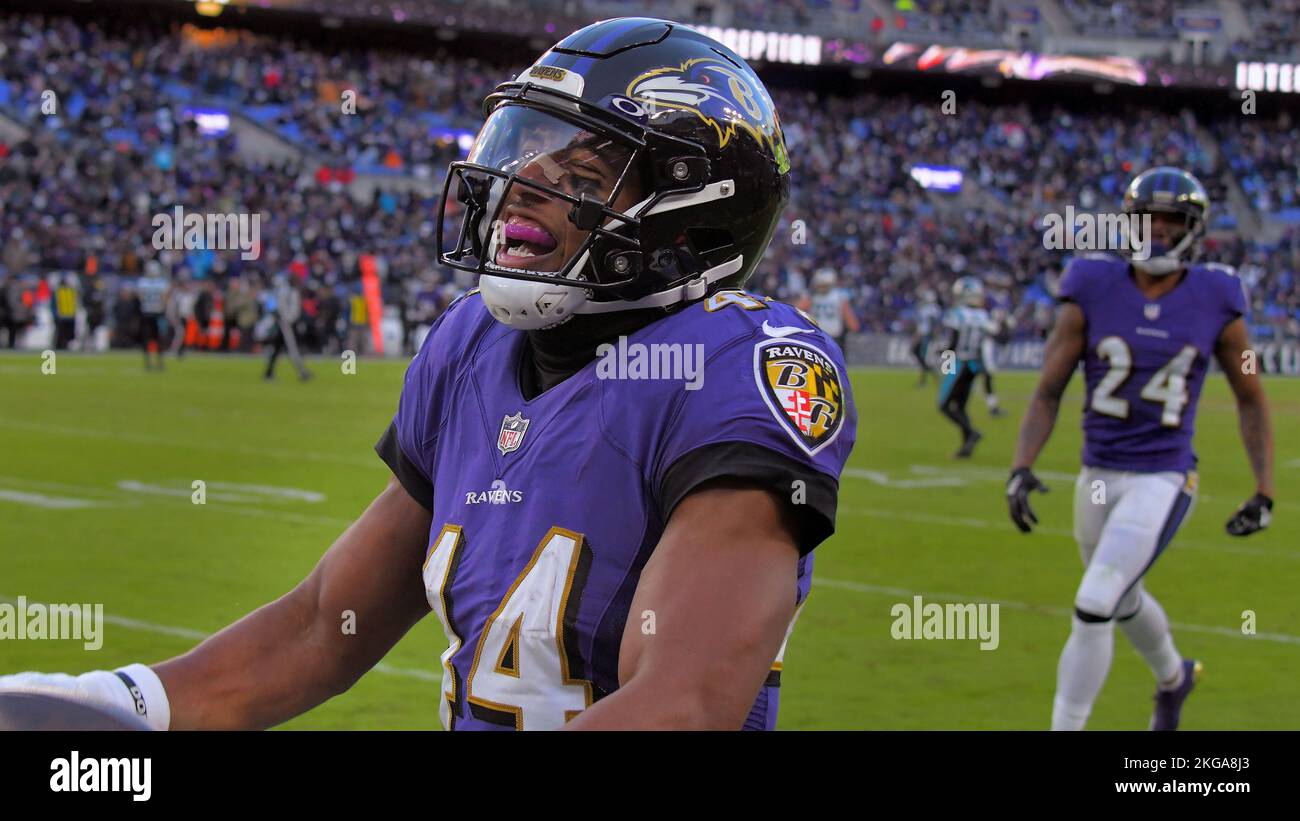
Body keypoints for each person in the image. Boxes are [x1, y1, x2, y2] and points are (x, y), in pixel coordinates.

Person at [0, 18, 855, 731]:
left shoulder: (741, 367)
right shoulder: (473, 346)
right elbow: (320, 629)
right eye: (526, 151)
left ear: (688, 218)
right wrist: (119, 705)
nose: (522, 185)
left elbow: (683, 705)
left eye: (582, 175)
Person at [1006, 168, 1275, 731]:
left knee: (1095, 599)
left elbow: (1251, 396)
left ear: (1194, 230)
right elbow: (1050, 386)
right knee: (1122, 599)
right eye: (1148, 220)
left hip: (1164, 475)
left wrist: (1264, 489)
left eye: (1171, 222)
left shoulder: (1216, 298)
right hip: (1097, 474)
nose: (1157, 233)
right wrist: (1021, 467)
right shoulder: (1092, 286)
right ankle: (1175, 678)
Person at [937, 276, 996, 458]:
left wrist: (946, 365)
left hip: (959, 362)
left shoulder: (956, 314)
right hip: (974, 365)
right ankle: (966, 447)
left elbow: (952, 342)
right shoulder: (983, 315)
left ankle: (972, 433)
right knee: (961, 406)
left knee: (944, 405)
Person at [796, 267, 859, 354]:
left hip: (833, 337)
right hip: (818, 336)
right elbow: (797, 310)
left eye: (824, 285)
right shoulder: (811, 296)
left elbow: (849, 318)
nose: (822, 288)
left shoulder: (838, 296)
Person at [136, 264, 169, 370]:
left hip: (146, 312)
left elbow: (140, 296)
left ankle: (149, 362)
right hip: (157, 312)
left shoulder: (142, 282)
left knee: (147, 338)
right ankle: (160, 362)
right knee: (159, 338)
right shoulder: (162, 283)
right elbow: (164, 298)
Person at [912, 287, 942, 387]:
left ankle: (926, 379)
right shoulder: (932, 309)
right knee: (921, 357)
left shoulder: (930, 309)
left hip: (926, 336)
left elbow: (933, 324)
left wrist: (933, 335)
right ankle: (930, 377)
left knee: (923, 357)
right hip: (924, 335)